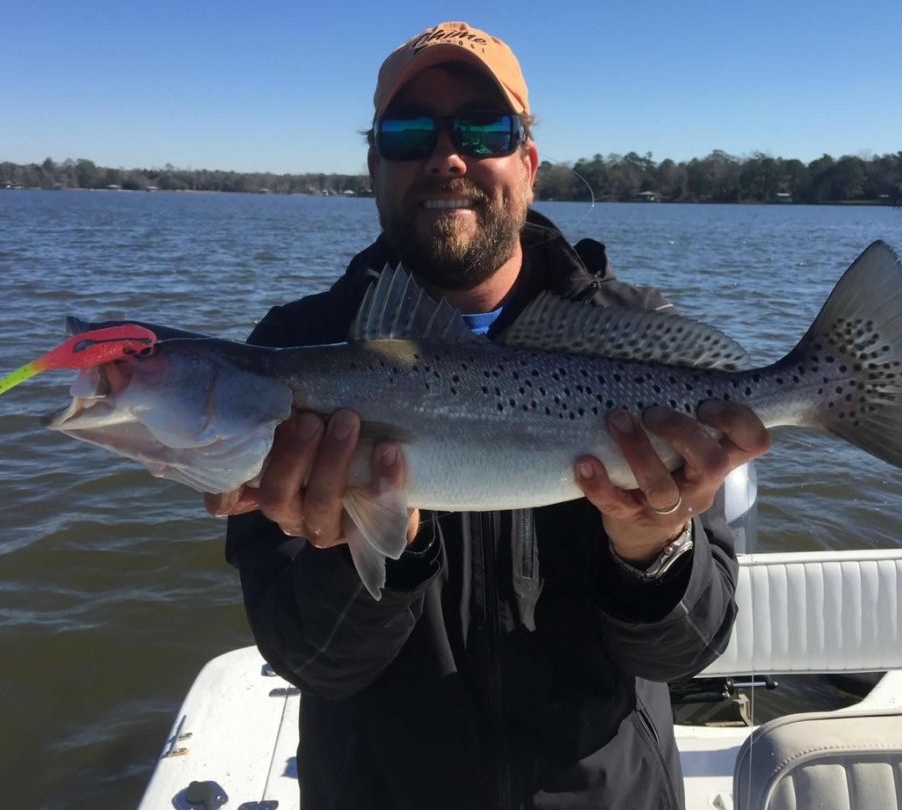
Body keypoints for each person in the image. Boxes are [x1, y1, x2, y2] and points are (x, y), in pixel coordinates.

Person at [209, 21, 770, 810]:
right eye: (409, 133)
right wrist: (373, 545)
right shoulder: (295, 353)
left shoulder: (635, 344)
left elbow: (688, 651)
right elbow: (316, 662)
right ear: (374, 167)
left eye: (483, 128)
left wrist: (652, 547)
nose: (446, 156)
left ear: (529, 165)